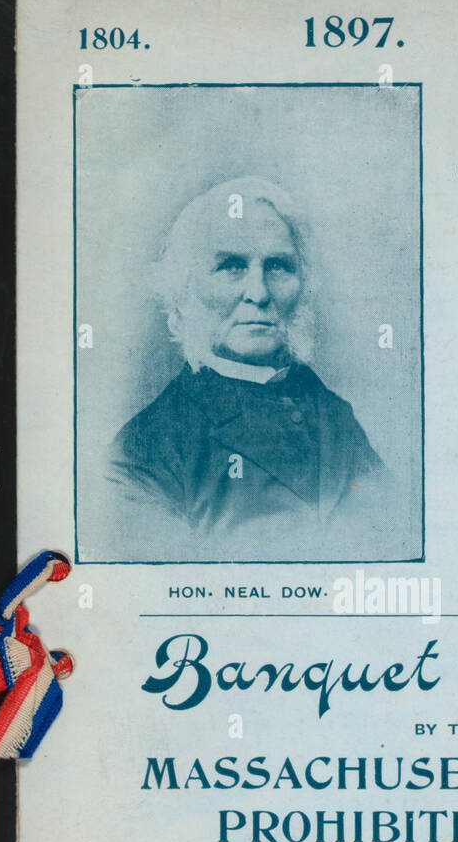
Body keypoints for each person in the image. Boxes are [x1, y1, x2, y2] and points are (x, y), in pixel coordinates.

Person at [106, 177, 389, 560]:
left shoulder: (336, 418)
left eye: (277, 267)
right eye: (231, 266)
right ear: (183, 291)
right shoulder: (145, 451)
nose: (259, 293)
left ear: (302, 285)